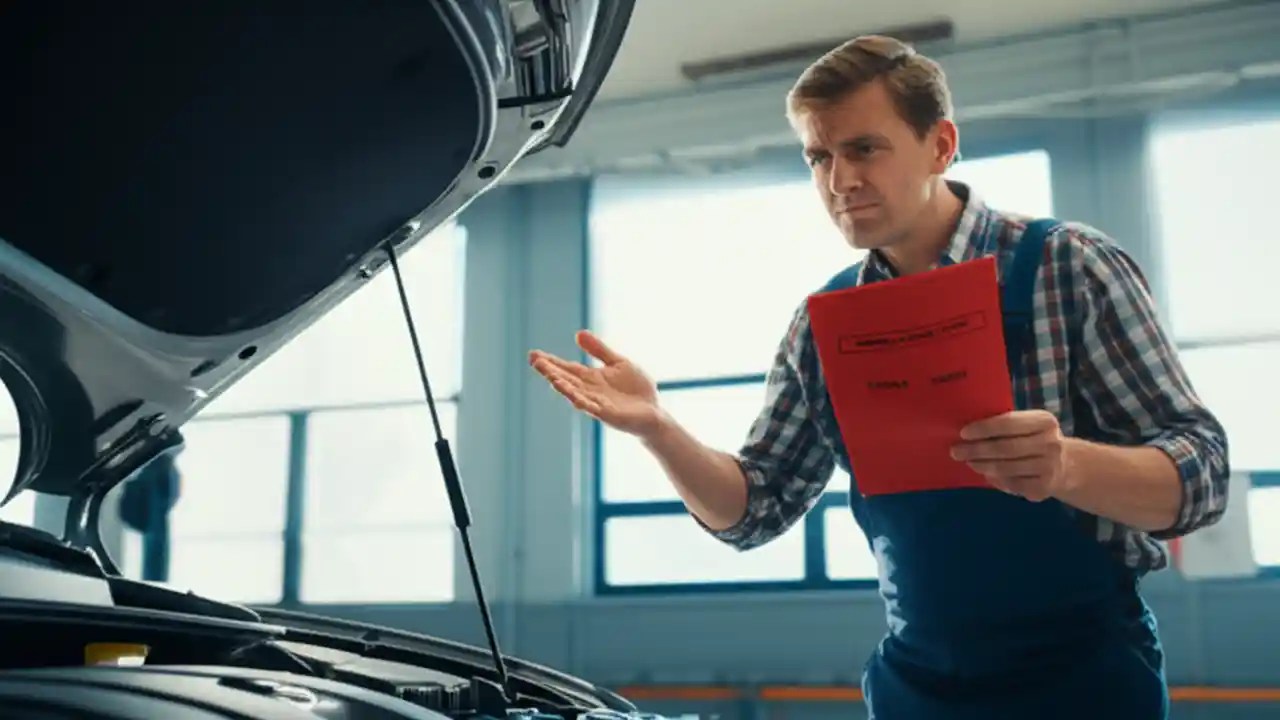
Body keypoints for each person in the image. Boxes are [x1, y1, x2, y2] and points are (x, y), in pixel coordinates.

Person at [529, 34, 1229, 719]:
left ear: (941, 145)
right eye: (818, 156)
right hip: (918, 685)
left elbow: (1203, 476)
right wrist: (658, 429)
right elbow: (753, 512)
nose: (839, 181)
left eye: (863, 148)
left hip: (1083, 680)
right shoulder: (822, 325)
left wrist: (1066, 466)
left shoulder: (1069, 267)